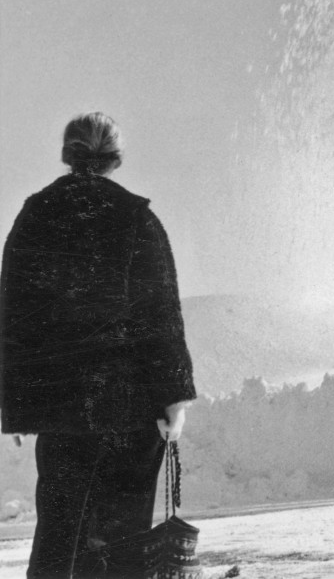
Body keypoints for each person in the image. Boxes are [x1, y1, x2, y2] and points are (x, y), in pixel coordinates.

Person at [0, 113, 196, 577]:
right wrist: (173, 397)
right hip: (128, 405)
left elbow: (14, 313)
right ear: (116, 157)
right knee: (123, 534)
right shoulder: (136, 217)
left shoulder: (35, 216)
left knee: (59, 532)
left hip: (63, 405)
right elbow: (159, 313)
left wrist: (22, 399)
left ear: (69, 154)